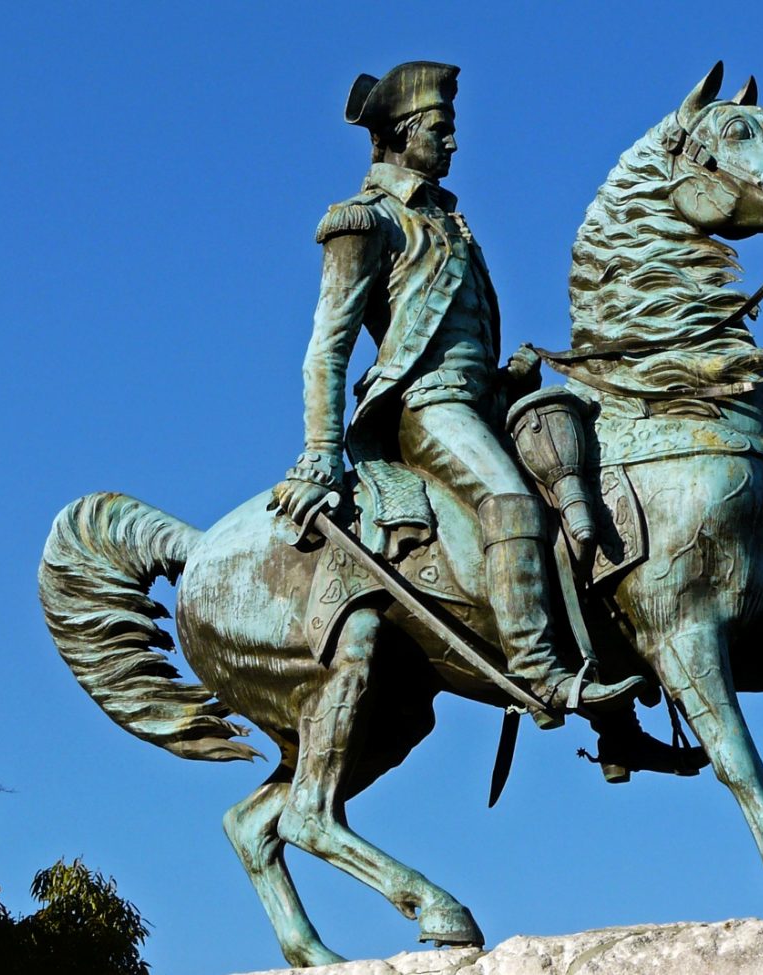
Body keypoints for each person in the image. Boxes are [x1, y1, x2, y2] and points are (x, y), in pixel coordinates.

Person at [271, 61, 643, 719]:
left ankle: (618, 708)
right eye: (439, 128)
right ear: (398, 133)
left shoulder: (448, 220)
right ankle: (539, 671)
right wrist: (321, 452)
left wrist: (507, 377)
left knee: (594, 487)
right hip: (427, 406)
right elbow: (327, 347)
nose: (453, 142)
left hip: (483, 398)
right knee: (510, 500)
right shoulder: (366, 221)